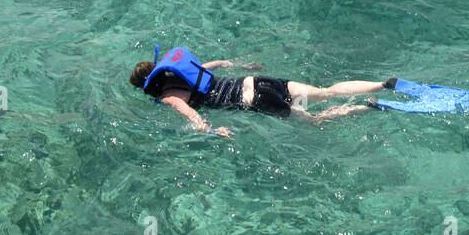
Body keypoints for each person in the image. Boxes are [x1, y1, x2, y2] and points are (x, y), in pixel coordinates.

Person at [131, 46, 401, 136]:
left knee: (316, 121)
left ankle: (367, 106)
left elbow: (192, 116)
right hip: (258, 81)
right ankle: (382, 84)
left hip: (256, 100)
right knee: (325, 92)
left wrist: (211, 131)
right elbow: (217, 64)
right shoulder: (186, 70)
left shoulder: (170, 97)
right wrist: (239, 64)